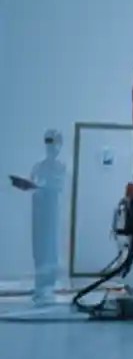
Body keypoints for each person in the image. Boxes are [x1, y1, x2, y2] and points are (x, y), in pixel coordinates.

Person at [12, 130, 67, 306]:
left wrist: (43, 188)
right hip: (38, 213)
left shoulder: (61, 167)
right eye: (48, 143)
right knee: (39, 249)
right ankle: (40, 285)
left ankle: (48, 287)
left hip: (52, 213)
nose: (51, 147)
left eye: (54, 143)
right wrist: (25, 185)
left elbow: (59, 187)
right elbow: (33, 183)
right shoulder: (38, 167)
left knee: (50, 249)